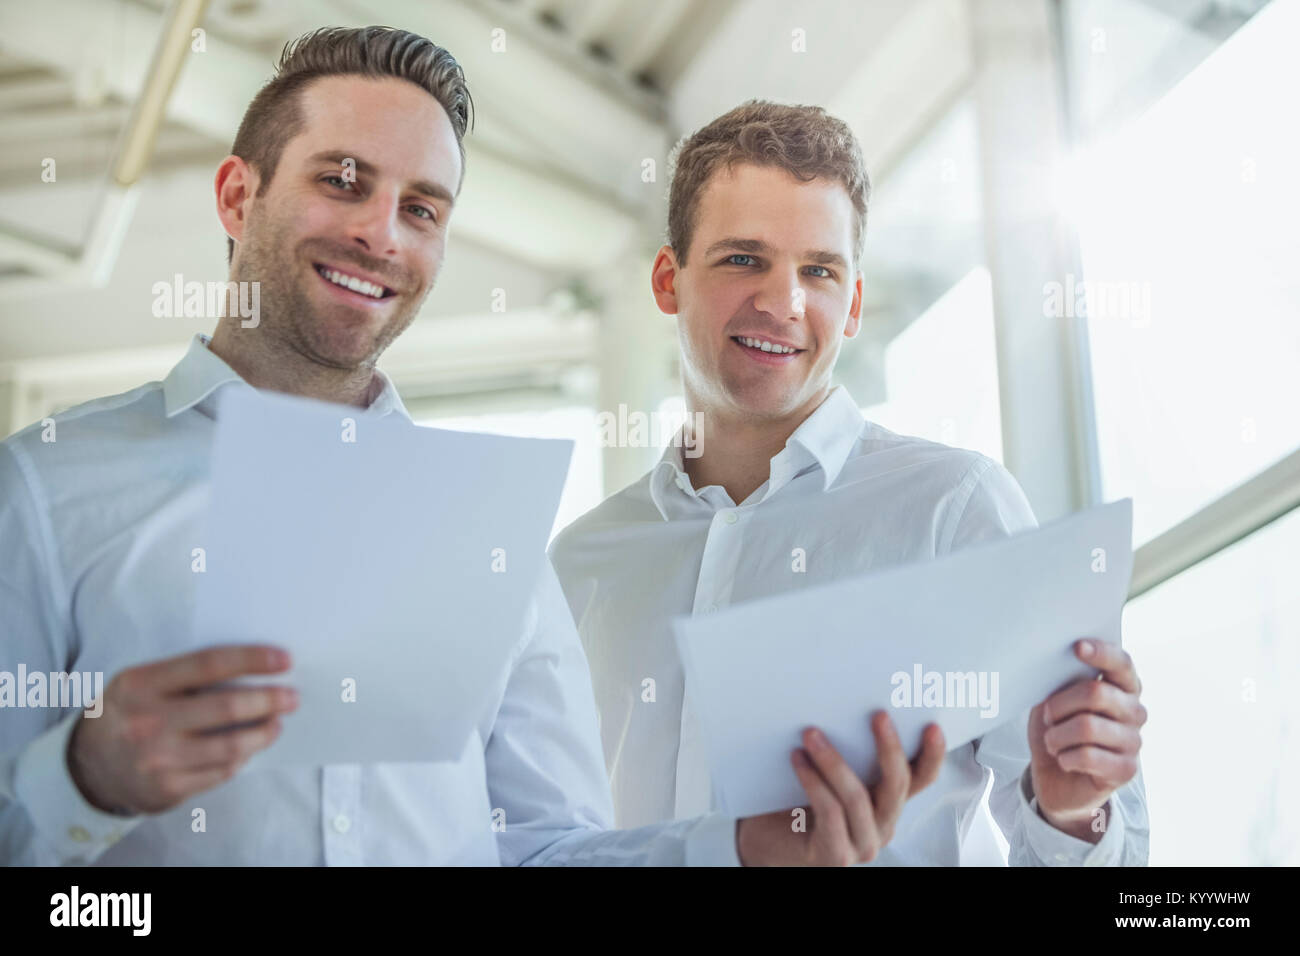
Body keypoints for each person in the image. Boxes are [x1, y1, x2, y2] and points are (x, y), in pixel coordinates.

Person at [0, 27, 937, 867]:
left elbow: (542, 851)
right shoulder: (46, 488)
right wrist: (85, 780)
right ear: (238, 195)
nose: (380, 232)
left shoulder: (492, 538)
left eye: (424, 207)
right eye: (342, 181)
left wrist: (739, 854)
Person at [549, 100, 1150, 865]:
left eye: (818, 271)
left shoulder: (953, 511)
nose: (782, 303)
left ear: (855, 302)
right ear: (669, 279)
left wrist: (1073, 816)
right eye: (743, 259)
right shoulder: (579, 565)